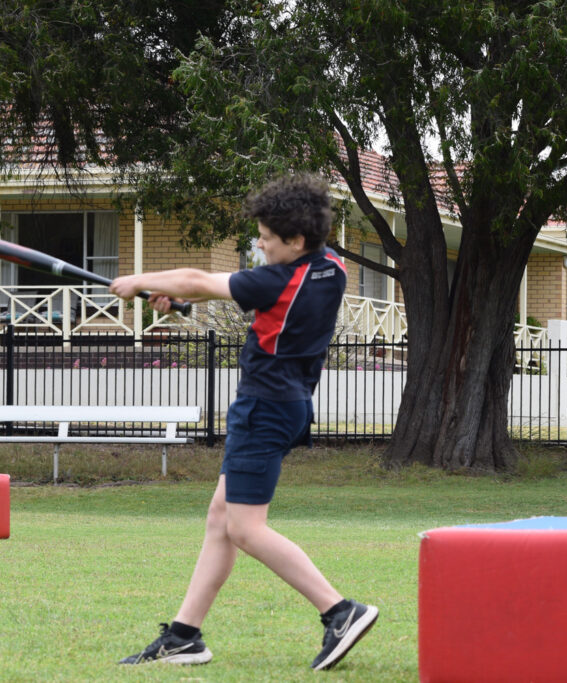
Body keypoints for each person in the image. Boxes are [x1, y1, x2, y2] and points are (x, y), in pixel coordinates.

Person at [109, 174, 377, 671]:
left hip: (264, 406)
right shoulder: (330, 266)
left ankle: (340, 611)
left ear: (295, 241)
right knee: (221, 519)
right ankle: (185, 635)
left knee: (245, 528)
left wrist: (140, 281)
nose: (259, 243)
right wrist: (175, 302)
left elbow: (197, 280)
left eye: (267, 237)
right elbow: (249, 310)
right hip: (289, 402)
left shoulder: (279, 278)